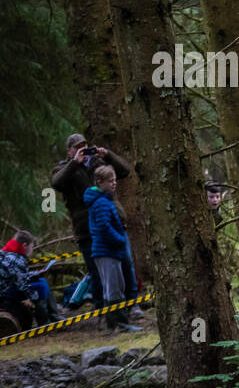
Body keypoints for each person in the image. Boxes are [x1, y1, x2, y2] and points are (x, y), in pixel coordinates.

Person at [51, 133, 131, 312]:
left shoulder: (98, 164)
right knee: (97, 274)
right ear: (69, 150)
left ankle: (126, 309)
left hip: (113, 224)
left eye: (85, 146)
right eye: (78, 147)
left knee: (124, 267)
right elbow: (56, 183)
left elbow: (125, 171)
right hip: (86, 230)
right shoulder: (64, 169)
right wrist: (74, 163)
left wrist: (107, 155)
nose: (83, 150)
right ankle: (104, 312)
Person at [85, 165, 140, 333]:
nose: (114, 184)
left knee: (115, 286)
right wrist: (120, 239)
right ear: (100, 182)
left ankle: (114, 324)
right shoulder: (101, 202)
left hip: (110, 251)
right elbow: (103, 227)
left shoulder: (105, 200)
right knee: (114, 288)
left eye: (115, 180)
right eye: (110, 181)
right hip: (106, 251)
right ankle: (119, 324)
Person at [2, 231, 59, 325]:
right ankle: (44, 321)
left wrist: (35, 273)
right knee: (41, 286)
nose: (32, 250)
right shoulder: (16, 260)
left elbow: (16, 275)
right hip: (4, 294)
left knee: (42, 281)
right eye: (32, 247)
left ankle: (53, 315)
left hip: (7, 287)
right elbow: (23, 287)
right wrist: (35, 298)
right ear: (25, 245)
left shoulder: (8, 252)